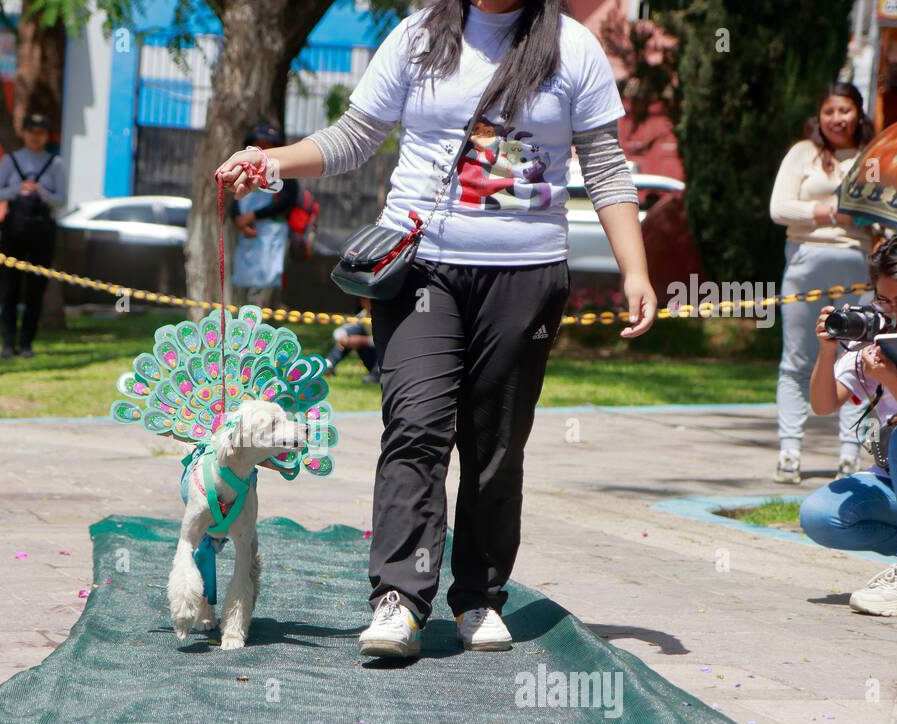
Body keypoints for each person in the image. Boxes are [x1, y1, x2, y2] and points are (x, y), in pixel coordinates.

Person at [217, 0, 656, 657]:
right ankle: (399, 598)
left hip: (525, 275)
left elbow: (604, 164)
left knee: (496, 444)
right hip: (421, 267)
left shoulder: (572, 47)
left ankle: (479, 598)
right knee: (416, 423)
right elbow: (354, 138)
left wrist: (636, 271)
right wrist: (271, 161)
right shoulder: (419, 35)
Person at [800, 232, 897, 616]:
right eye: (884, 300)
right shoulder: (876, 336)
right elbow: (822, 404)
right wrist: (826, 348)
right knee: (821, 515)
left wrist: (890, 379)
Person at [769, 83, 876, 484]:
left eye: (845, 110)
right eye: (830, 110)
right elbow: (780, 208)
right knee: (796, 359)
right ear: (820, 115)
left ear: (857, 113)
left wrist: (857, 218)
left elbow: (883, 212)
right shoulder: (803, 153)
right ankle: (790, 451)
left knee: (856, 359)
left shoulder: (873, 156)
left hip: (857, 267)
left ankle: (850, 452)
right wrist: (832, 213)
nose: (837, 119)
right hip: (804, 262)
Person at [0, 113, 65, 359]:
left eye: (40, 132)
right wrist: (18, 189)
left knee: (35, 290)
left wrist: (41, 191)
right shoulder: (9, 160)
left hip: (42, 233)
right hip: (14, 231)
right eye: (31, 131)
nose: (35, 137)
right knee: (9, 288)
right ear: (23, 134)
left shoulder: (55, 164)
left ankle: (26, 344)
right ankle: (7, 341)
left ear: (46, 136)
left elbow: (62, 201)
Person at [230, 122, 298, 310]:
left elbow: (287, 201)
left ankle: (266, 331)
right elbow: (234, 200)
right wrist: (240, 221)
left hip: (271, 237)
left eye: (268, 145)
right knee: (244, 291)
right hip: (247, 238)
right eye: (258, 145)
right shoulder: (243, 171)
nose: (263, 150)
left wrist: (254, 215)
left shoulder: (284, 171)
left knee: (267, 290)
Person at [325, 300, 381, 384]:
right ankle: (328, 364)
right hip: (371, 355)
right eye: (363, 299)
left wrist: (363, 341)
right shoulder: (363, 315)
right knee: (347, 337)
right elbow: (338, 333)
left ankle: (378, 374)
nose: (364, 302)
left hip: (383, 358)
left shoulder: (385, 316)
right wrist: (347, 340)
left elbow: (390, 341)